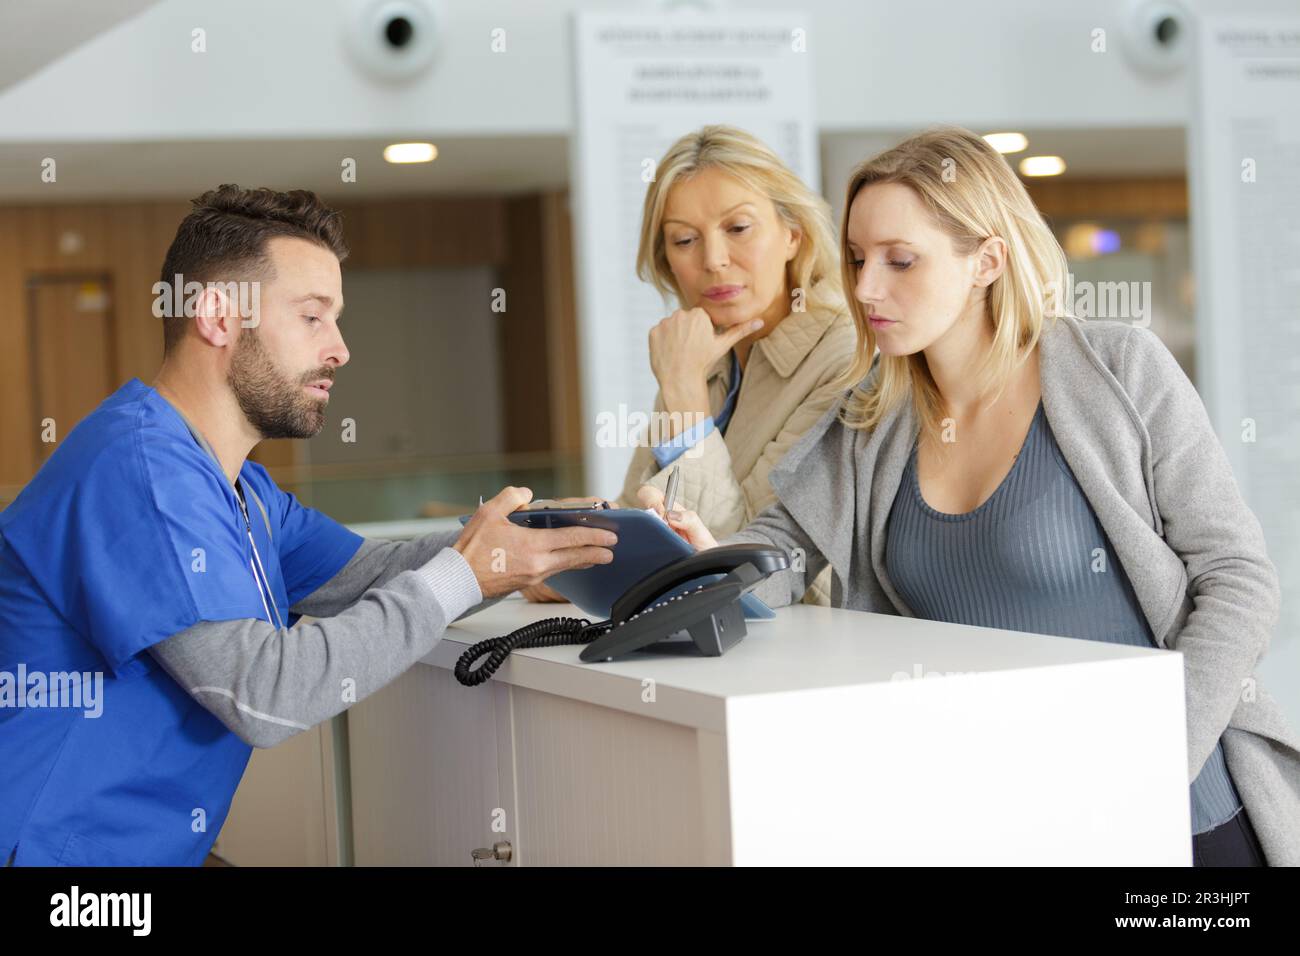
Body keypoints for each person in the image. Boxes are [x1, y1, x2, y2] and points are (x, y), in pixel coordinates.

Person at [645, 127, 1300, 867]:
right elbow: (780, 548)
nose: (864, 289)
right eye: (858, 260)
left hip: (1174, 819)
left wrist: (1156, 758)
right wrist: (714, 558)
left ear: (986, 260)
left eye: (901, 261)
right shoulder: (871, 419)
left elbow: (1239, 579)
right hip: (992, 821)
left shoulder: (1117, 370)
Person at [0, 185, 616, 866]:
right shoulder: (140, 470)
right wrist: (467, 573)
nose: (341, 349)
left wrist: (528, 547)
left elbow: (368, 574)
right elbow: (261, 693)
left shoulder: (240, 489)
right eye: (313, 317)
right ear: (216, 318)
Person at [524, 124, 855, 606]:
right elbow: (645, 522)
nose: (714, 260)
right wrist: (566, 557)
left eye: (738, 229)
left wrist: (683, 394)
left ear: (792, 235)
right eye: (684, 240)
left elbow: (740, 567)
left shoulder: (845, 357)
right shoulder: (700, 360)